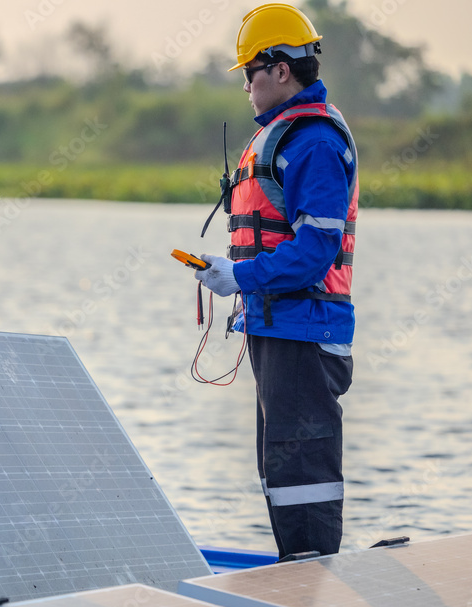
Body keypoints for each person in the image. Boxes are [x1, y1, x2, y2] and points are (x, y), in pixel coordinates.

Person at [194, 3, 357, 559]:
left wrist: (239, 275)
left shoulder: (311, 141)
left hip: (304, 332)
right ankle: (303, 578)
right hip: (280, 327)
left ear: (281, 69)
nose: (245, 85)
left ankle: (317, 587)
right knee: (283, 469)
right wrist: (237, 277)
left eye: (249, 72)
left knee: (303, 473)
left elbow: (314, 250)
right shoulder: (286, 136)